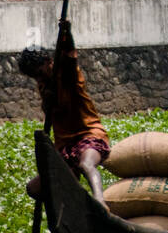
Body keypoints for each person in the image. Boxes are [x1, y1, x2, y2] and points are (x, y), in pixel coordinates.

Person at [19, 19, 110, 205]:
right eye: (34, 76)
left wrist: (66, 32)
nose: (38, 78)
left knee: (86, 164)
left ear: (48, 61)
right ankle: (79, 208)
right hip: (65, 147)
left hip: (88, 135)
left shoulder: (66, 73)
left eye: (39, 72)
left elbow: (69, 53)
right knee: (35, 188)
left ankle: (100, 201)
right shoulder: (44, 84)